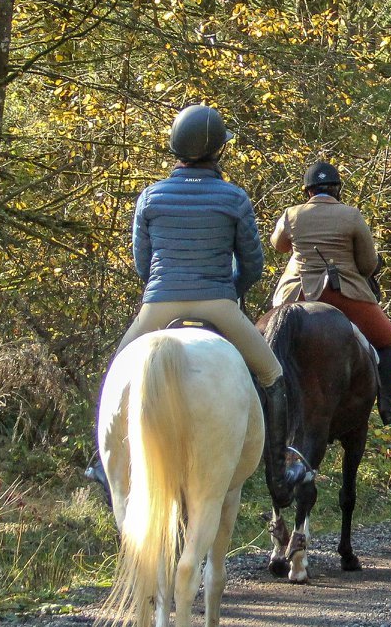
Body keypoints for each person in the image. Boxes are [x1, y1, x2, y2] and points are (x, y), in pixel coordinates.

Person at [88, 105, 283, 488]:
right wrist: (230, 294)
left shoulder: (150, 197)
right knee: (273, 374)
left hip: (159, 306)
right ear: (219, 150)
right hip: (219, 304)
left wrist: (167, 287)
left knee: (115, 375)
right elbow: (253, 265)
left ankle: (100, 461)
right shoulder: (234, 198)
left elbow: (142, 265)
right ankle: (281, 468)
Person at [270, 159, 391, 425]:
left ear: (308, 191)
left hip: (299, 294)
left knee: (268, 337)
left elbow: (279, 245)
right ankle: (388, 405)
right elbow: (368, 264)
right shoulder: (352, 215)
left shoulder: (292, 214)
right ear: (337, 190)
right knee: (389, 343)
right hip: (343, 294)